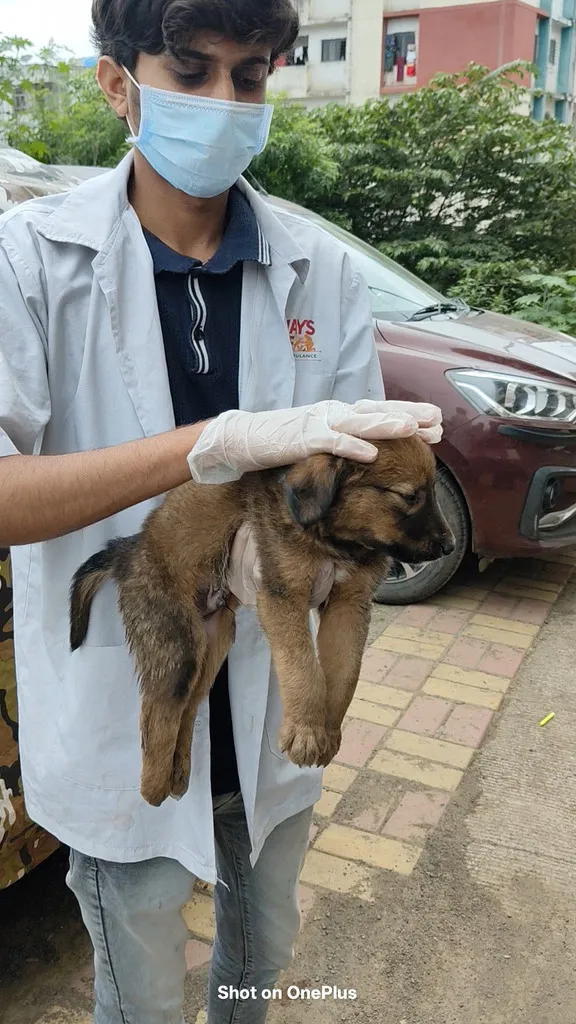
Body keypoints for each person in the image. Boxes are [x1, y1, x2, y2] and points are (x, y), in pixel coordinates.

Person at [0, 1, 442, 1021]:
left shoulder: (318, 270)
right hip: (128, 713)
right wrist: (200, 449)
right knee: (141, 991)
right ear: (119, 86)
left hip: (269, 718)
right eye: (191, 73)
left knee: (258, 963)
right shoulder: (28, 261)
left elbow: (344, 490)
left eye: (248, 79)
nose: (224, 103)